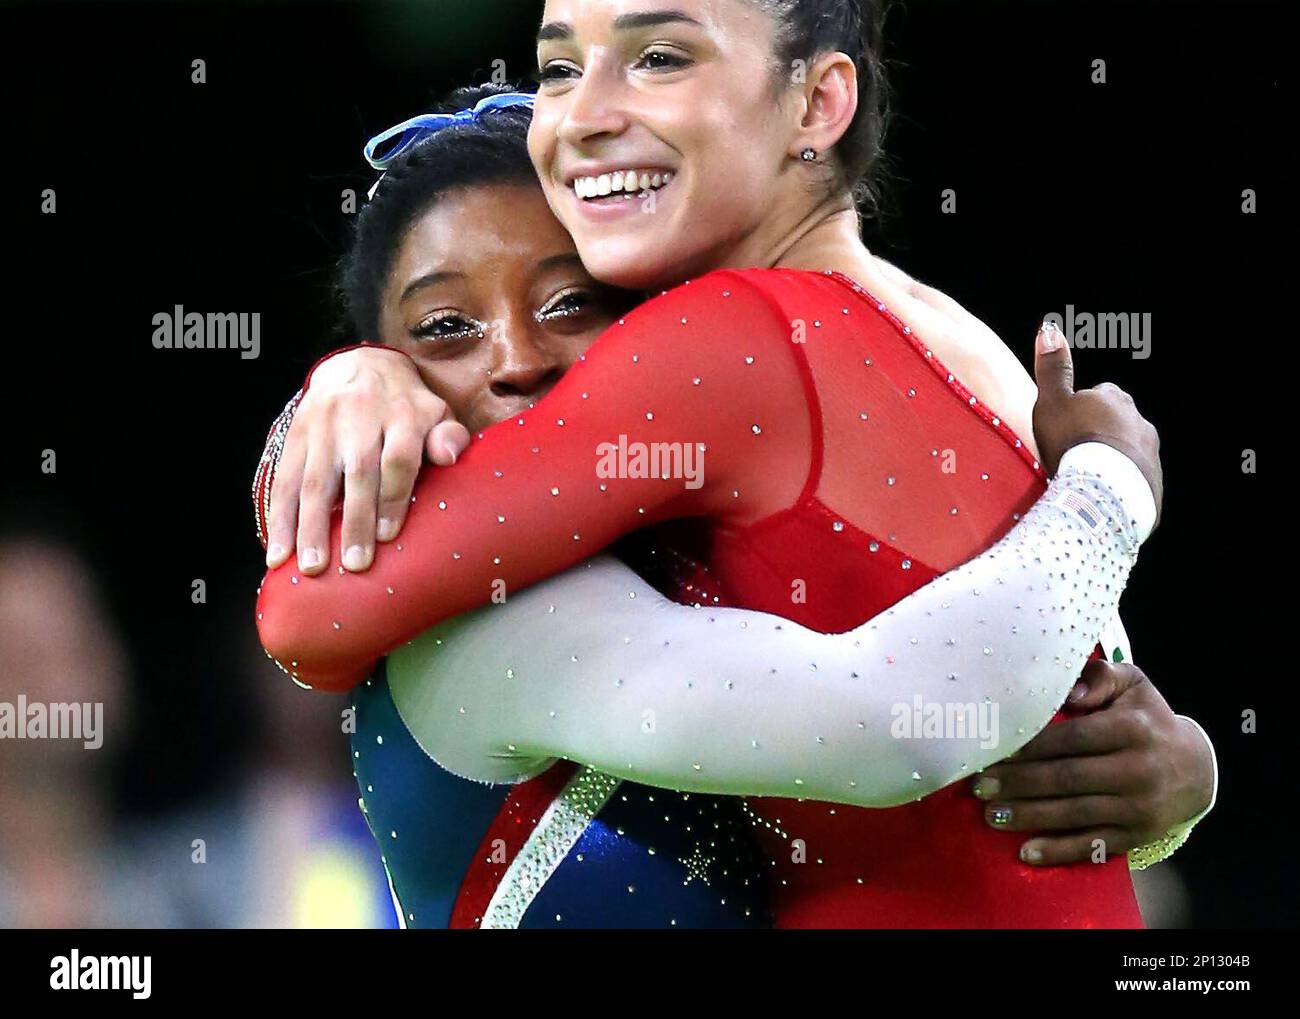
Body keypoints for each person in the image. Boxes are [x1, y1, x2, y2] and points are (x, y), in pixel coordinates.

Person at [253, 0, 1215, 927]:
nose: (512, 361)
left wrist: (1179, 778)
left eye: (573, 305)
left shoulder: (727, 352)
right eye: (557, 68)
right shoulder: (950, 345)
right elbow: (304, 603)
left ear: (818, 102)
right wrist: (331, 396)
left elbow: (1058, 701)